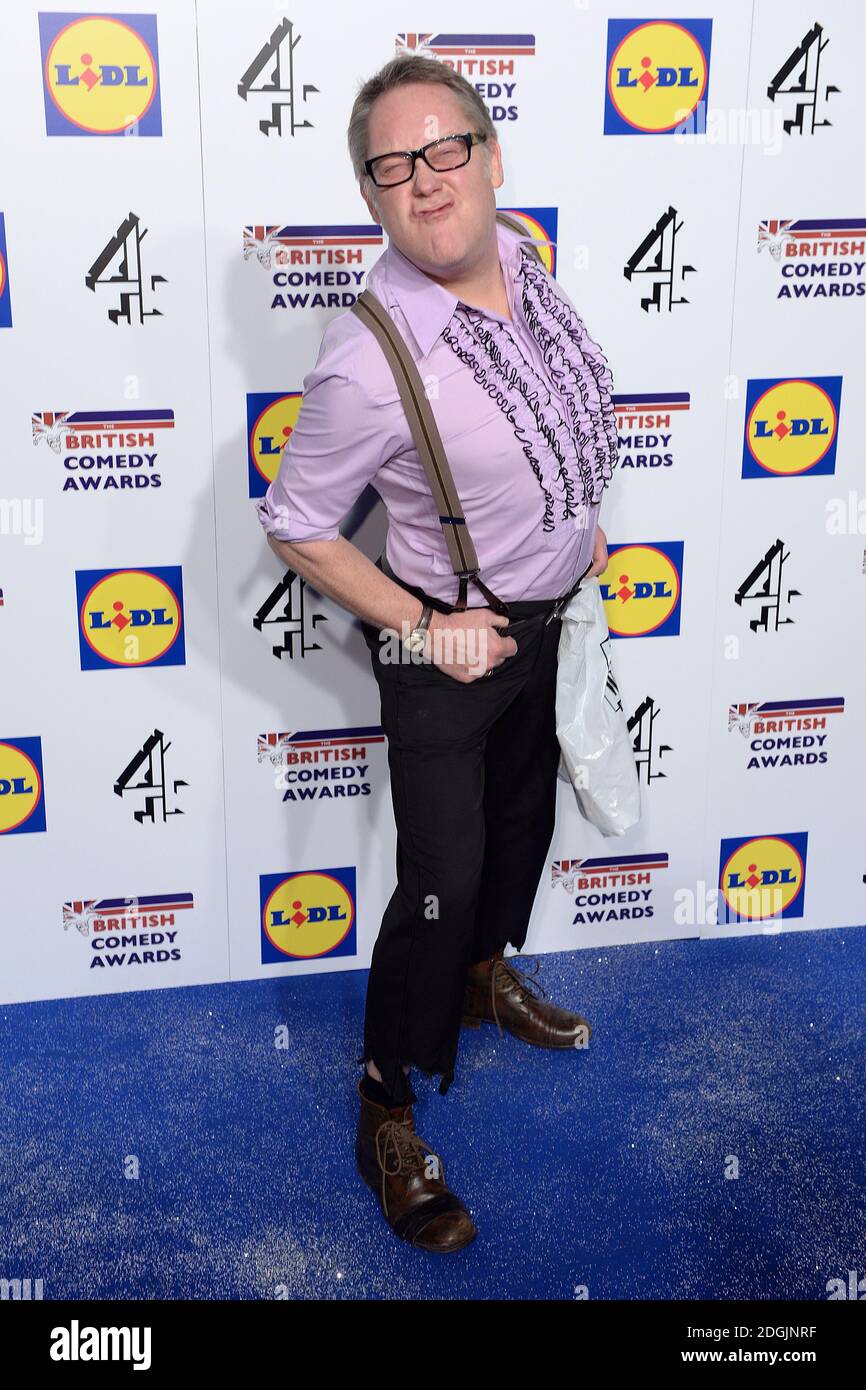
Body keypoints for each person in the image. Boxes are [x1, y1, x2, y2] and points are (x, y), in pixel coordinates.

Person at [257, 53, 617, 1253]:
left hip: (549, 618)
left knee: (523, 829)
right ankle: (384, 1104)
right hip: (444, 646)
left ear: (489, 157)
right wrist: (419, 626)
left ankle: (482, 977)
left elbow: (550, 416)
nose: (423, 181)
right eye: (391, 166)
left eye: (443, 149)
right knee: (435, 880)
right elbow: (296, 523)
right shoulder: (366, 357)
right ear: (371, 194)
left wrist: (578, 522)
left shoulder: (518, 254)